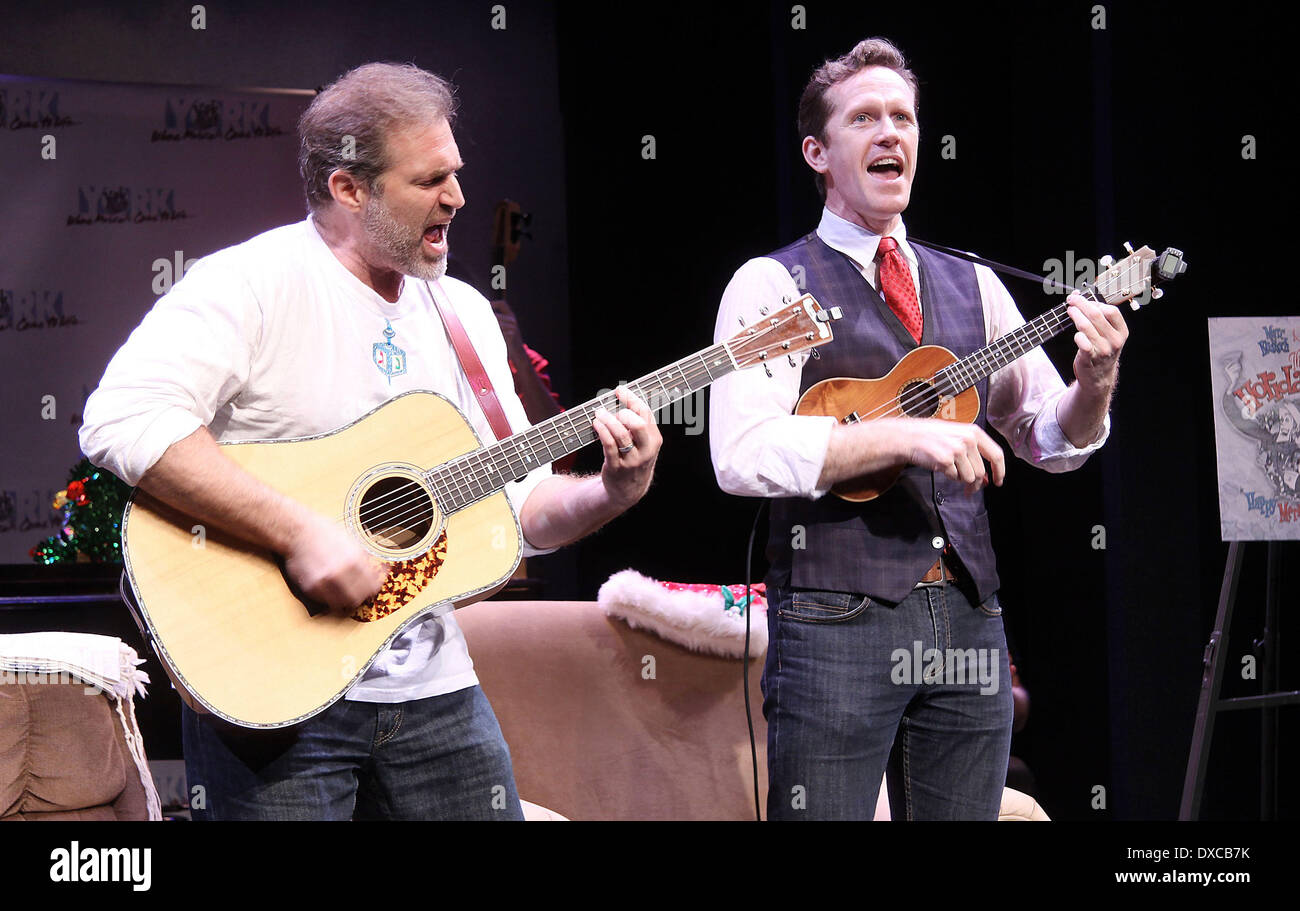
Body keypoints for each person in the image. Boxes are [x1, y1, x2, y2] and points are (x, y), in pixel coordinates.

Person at [79, 62, 662, 820]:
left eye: (456, 174)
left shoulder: (463, 314)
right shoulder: (252, 284)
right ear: (349, 189)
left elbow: (520, 510)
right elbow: (121, 417)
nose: (456, 197)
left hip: (434, 693)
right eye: (429, 181)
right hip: (272, 687)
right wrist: (298, 531)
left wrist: (612, 490)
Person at [708, 38, 1127, 820]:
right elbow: (742, 453)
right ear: (817, 152)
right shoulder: (771, 285)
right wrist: (903, 437)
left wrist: (1094, 384)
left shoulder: (974, 284)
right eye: (864, 118)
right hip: (835, 621)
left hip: (968, 617)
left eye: (903, 117)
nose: (890, 133)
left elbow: (1048, 438)